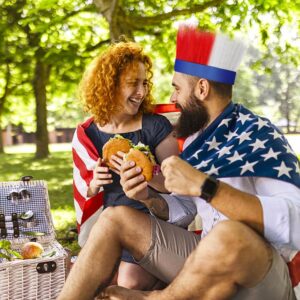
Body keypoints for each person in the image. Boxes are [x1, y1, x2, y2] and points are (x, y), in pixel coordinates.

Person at [59, 26, 300, 300]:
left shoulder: (258, 134)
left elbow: (296, 221)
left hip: (262, 274)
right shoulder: (199, 138)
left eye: (176, 88)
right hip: (206, 257)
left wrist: (208, 188)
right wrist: (149, 197)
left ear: (201, 88)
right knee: (115, 218)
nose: (172, 99)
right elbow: (186, 209)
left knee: (230, 233)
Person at [71, 41, 179, 290]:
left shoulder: (155, 126)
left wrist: (147, 174)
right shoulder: (88, 133)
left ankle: (161, 276)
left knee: (127, 282)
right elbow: (85, 193)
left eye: (144, 83)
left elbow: (176, 184)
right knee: (89, 280)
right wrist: (95, 182)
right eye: (133, 83)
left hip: (148, 224)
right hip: (104, 228)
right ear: (110, 84)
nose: (141, 92)